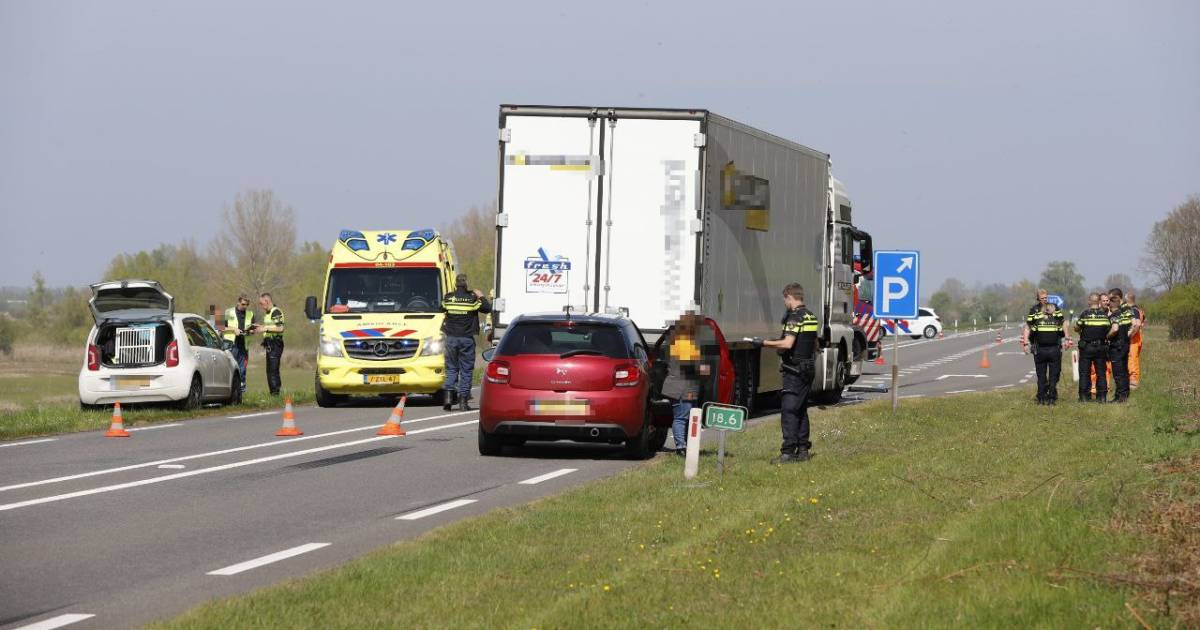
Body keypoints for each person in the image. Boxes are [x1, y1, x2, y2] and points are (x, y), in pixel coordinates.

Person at [761, 283, 820, 464]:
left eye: (785, 299)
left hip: (794, 370)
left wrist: (763, 343)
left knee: (789, 410)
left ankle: (788, 452)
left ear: (789, 296)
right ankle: (803, 450)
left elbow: (787, 344)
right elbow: (815, 345)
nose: (785, 303)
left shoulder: (795, 318)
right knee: (801, 409)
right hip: (808, 369)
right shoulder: (811, 316)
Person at [660, 313, 714, 454]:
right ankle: (681, 447)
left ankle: (686, 445)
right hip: (683, 388)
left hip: (678, 387)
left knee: (687, 417)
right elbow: (692, 366)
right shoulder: (684, 343)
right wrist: (705, 369)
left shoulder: (676, 340)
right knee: (682, 417)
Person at [441, 273, 491, 411]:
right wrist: (480, 295)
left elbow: (441, 308)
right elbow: (487, 308)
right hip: (466, 339)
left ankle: (448, 399)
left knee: (451, 369)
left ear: (456, 284)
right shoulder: (472, 299)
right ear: (466, 284)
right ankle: (463, 402)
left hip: (451, 339)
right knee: (466, 371)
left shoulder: (448, 297)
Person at [1074, 293, 1117, 402]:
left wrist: (1081, 333)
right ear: (1098, 302)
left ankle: (1084, 397)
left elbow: (1076, 327)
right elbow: (1109, 328)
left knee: (1084, 373)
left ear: (1089, 302)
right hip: (1100, 348)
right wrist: (1105, 336)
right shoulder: (1104, 315)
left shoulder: (1085, 314)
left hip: (1086, 347)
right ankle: (1102, 397)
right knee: (1101, 373)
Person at [1029, 302, 1065, 405]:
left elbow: (1031, 336)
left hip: (1040, 350)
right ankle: (1051, 399)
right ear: (1052, 311)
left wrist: (1034, 342)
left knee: (1041, 376)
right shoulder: (1056, 322)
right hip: (1054, 350)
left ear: (1042, 311)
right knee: (1053, 376)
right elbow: (1061, 334)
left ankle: (1041, 398)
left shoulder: (1038, 323)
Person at [219, 295, 256, 394]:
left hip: (244, 344)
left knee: (242, 369)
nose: (245, 306)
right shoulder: (229, 312)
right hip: (231, 344)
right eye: (243, 304)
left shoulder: (250, 314)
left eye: (247, 305)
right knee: (230, 368)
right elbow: (220, 327)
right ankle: (228, 391)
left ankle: (241, 392)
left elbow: (253, 328)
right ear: (238, 302)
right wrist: (233, 329)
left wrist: (252, 331)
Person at [1107, 288, 1135, 402]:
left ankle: (1120, 398)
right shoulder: (1124, 314)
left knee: (1118, 373)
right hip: (1125, 344)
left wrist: (1107, 336)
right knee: (1124, 371)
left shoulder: (1115, 315)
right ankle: (1125, 394)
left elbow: (1114, 329)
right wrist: (1127, 336)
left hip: (1116, 346)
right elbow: (1132, 325)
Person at [257, 293, 286, 397]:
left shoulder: (276, 311)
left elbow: (280, 328)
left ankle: (275, 394)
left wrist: (265, 328)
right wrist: (260, 327)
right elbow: (270, 326)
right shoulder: (268, 313)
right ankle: (272, 393)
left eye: (261, 303)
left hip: (275, 344)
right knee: (269, 371)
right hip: (269, 344)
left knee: (273, 370)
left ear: (267, 301)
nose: (260, 306)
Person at [1126, 292, 1145, 388]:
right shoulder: (1139, 310)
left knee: (1132, 359)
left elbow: (1137, 325)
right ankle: (1135, 381)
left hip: (1133, 339)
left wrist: (1130, 335)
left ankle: (1133, 383)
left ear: (1127, 299)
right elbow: (1143, 323)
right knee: (1135, 359)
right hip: (1139, 338)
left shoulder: (1132, 310)